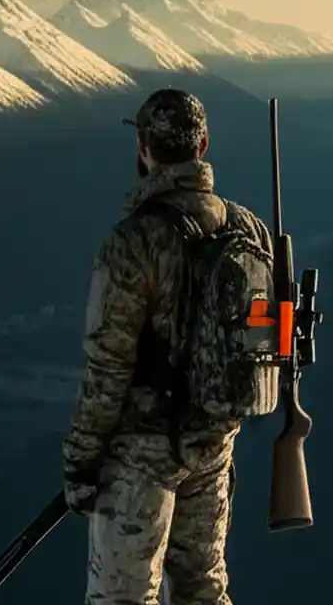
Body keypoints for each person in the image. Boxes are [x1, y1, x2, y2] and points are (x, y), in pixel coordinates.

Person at [62, 89, 273, 604]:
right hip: (215, 439)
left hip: (141, 451)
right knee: (203, 588)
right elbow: (264, 342)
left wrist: (81, 460)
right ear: (203, 143)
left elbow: (108, 363)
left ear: (143, 148)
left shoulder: (133, 241)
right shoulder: (248, 229)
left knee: (123, 598)